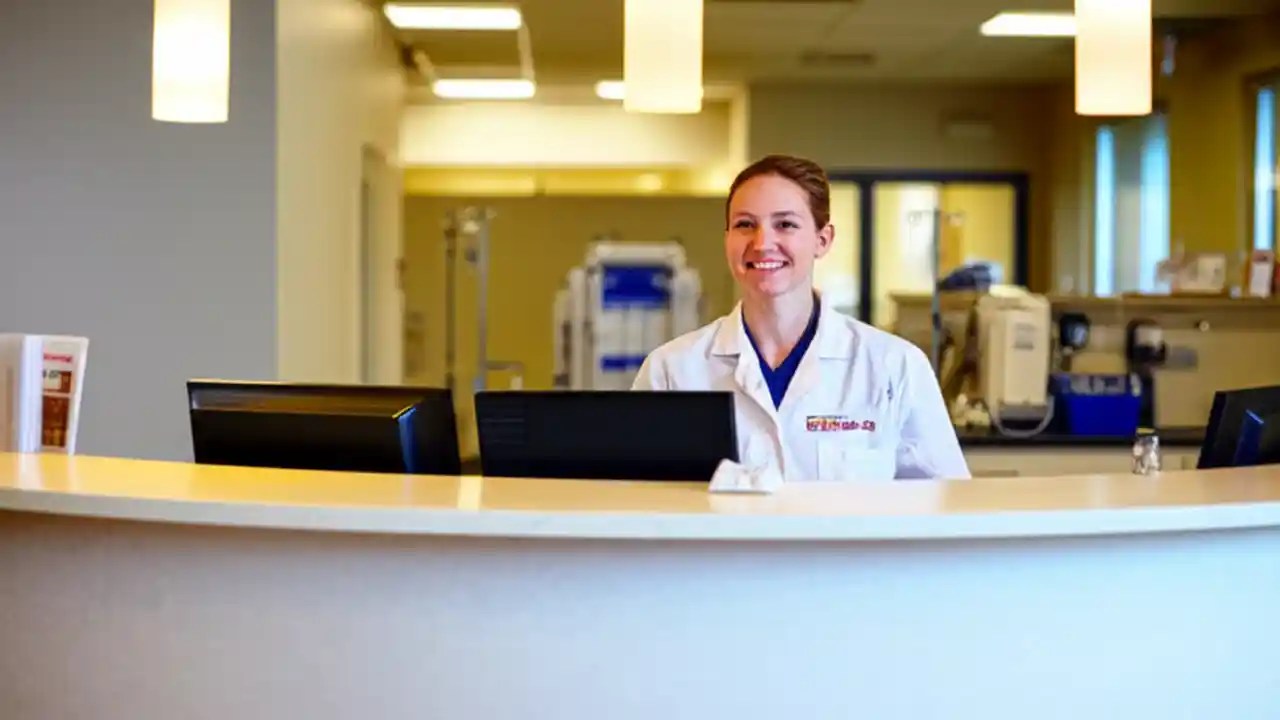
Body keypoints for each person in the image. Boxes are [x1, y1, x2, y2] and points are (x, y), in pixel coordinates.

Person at [632, 154, 969, 482]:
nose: (763, 243)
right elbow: (637, 504)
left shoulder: (895, 366)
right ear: (727, 240)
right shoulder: (671, 371)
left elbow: (945, 505)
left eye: (786, 225)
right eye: (745, 225)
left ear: (822, 240)